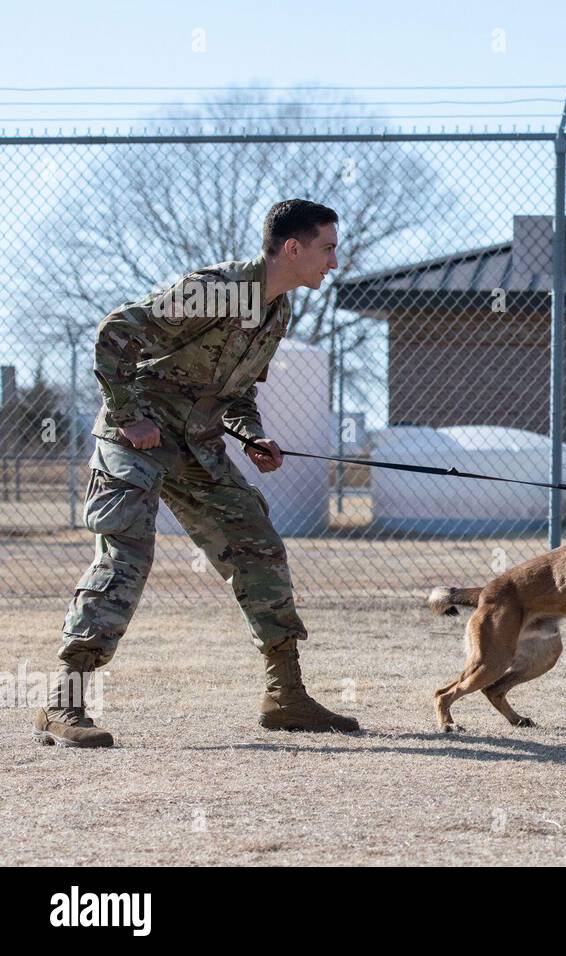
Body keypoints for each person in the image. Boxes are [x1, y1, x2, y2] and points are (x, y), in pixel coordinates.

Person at [34, 199, 359, 748]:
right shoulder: (219, 290)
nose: (333, 261)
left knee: (255, 542)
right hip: (137, 433)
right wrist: (130, 415)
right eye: (327, 249)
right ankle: (62, 705)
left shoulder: (276, 311)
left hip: (196, 443)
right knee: (126, 554)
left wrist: (251, 435)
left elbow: (235, 393)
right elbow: (115, 331)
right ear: (292, 248)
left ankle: (286, 696)